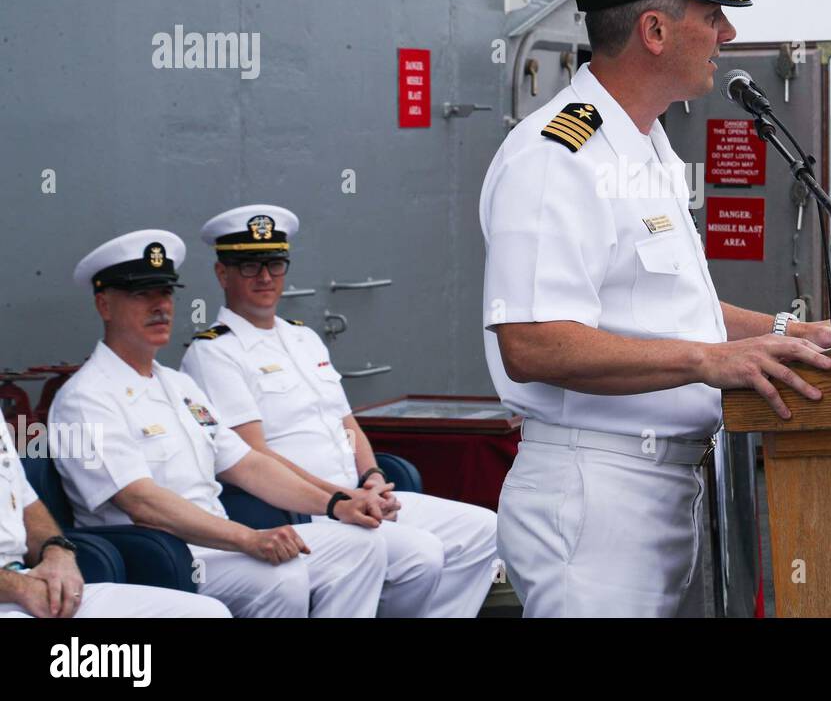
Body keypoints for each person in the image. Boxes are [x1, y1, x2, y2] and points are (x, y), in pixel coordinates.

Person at [479, 0, 831, 617]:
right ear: (654, 31)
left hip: (663, 486)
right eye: (712, 13)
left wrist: (784, 332)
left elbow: (670, 305)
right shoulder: (557, 157)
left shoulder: (645, 146)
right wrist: (706, 362)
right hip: (594, 492)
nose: (726, 34)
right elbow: (533, 342)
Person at [180, 205, 498, 618]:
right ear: (223, 274)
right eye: (249, 266)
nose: (265, 277)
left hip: (359, 495)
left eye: (275, 264)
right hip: (305, 509)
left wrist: (373, 477)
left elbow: (345, 424)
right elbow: (252, 454)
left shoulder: (303, 338)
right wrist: (339, 497)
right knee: (422, 555)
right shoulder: (214, 353)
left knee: (485, 532)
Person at [51, 230, 388, 617]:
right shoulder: (87, 397)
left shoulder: (179, 386)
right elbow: (142, 503)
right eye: (141, 294)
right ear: (104, 305)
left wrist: (337, 504)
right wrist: (247, 539)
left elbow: (249, 465)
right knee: (283, 576)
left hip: (219, 543)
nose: (160, 306)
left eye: (165, 293)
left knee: (363, 546)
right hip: (162, 554)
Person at [0, 419, 229, 618]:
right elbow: (139, 500)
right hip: (15, 590)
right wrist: (20, 588)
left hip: (29, 583)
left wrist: (58, 552)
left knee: (206, 613)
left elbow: (25, 501)